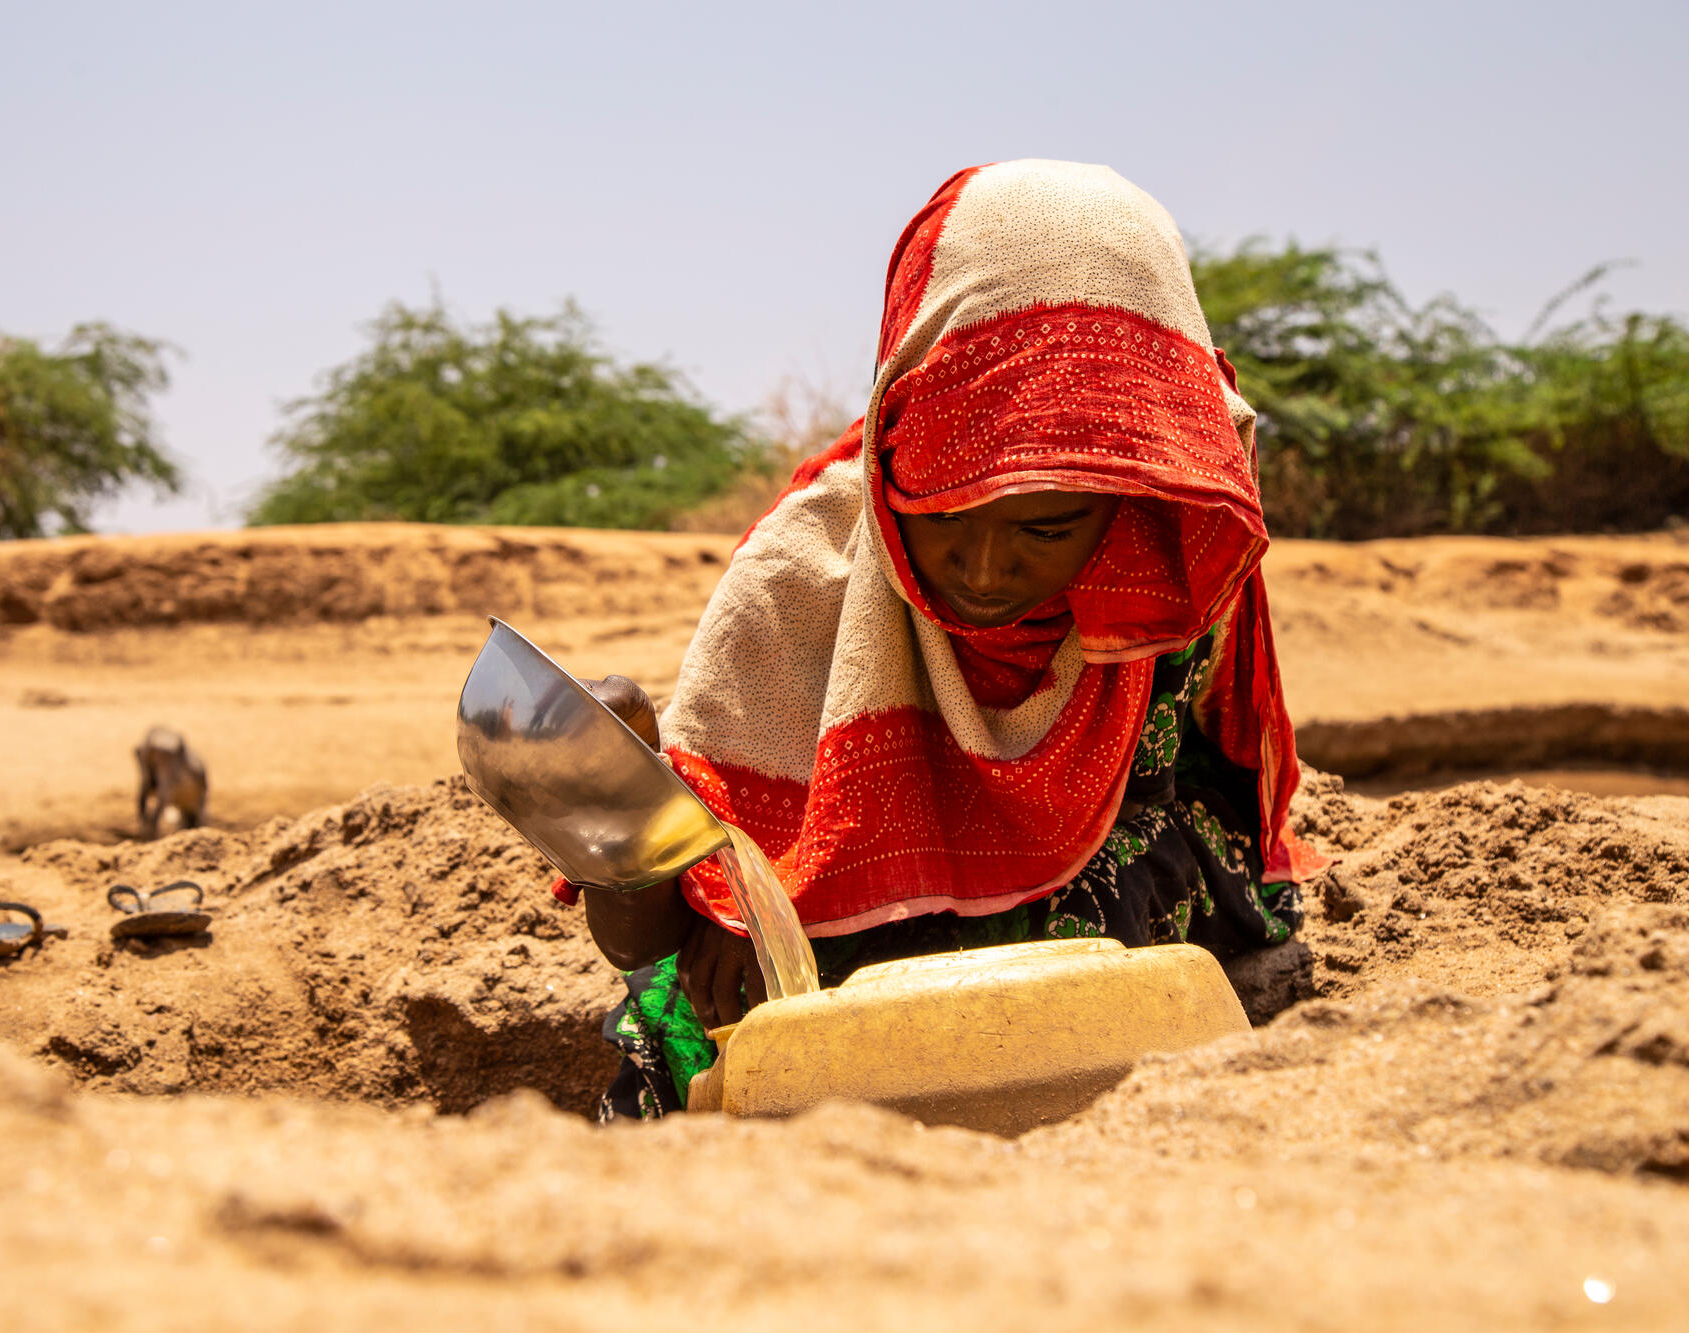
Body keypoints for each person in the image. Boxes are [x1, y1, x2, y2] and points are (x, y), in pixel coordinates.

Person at [561, 159, 1328, 1121]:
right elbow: (735, 834)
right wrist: (732, 910)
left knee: (1055, 939)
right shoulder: (806, 571)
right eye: (937, 515)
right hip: (829, 892)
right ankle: (625, 850)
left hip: (1096, 853)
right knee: (684, 1006)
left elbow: (1187, 792)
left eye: (1047, 530)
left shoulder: (1165, 563)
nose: (983, 571)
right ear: (893, 444)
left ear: (1129, 492)